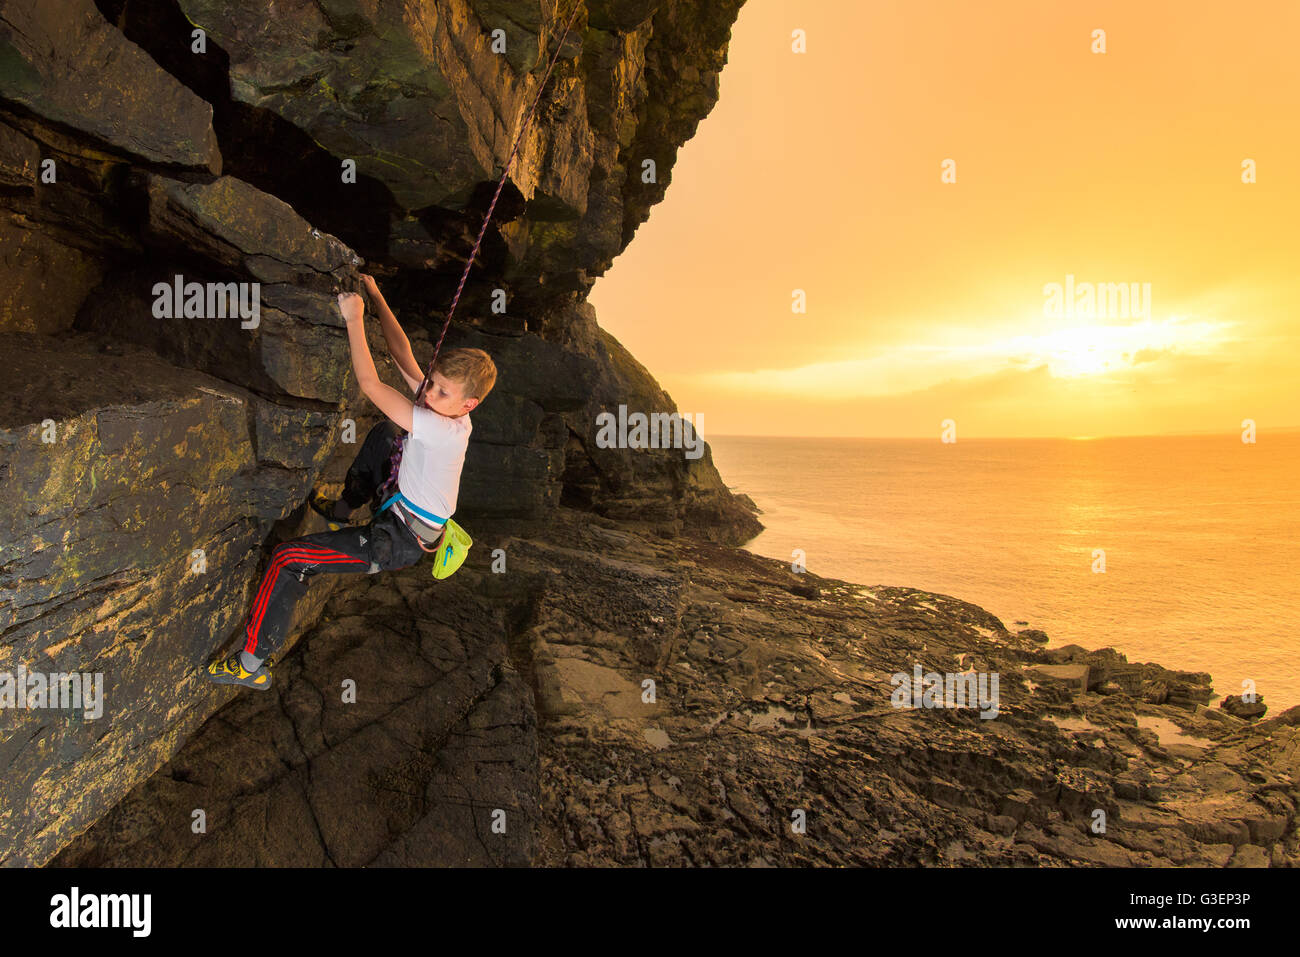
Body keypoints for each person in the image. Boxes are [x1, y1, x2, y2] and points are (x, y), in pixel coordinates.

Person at [207, 274, 497, 690]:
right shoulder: (449, 406)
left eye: (440, 392)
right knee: (385, 434)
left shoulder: (440, 427)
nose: (429, 393)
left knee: (290, 560)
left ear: (467, 404)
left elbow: (370, 384)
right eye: (431, 384)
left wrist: (354, 319)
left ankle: (250, 666)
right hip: (399, 505)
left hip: (395, 540)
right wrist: (377, 297)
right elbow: (401, 355)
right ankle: (343, 510)